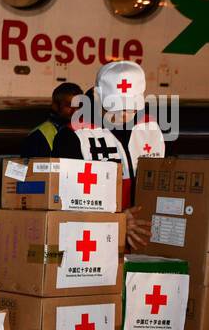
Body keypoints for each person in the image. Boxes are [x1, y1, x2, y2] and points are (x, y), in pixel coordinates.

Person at [54, 60, 164, 250]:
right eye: (115, 105)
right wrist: (117, 220)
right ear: (97, 96)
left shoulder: (151, 129)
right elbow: (62, 199)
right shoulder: (74, 136)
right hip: (94, 244)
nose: (125, 113)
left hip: (145, 240)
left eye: (131, 105)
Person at [20, 82, 83, 157]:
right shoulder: (37, 137)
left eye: (79, 105)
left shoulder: (88, 131)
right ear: (55, 106)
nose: (75, 110)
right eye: (69, 105)